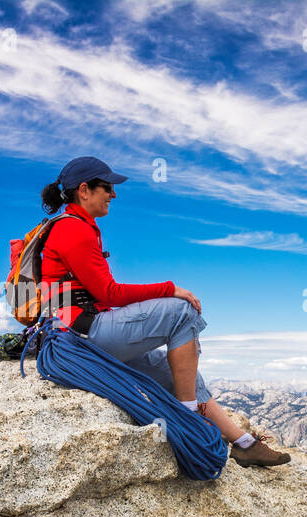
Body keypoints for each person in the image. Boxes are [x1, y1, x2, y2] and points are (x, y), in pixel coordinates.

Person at [38, 156, 289, 467]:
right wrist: (170, 288)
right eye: (108, 187)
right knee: (182, 312)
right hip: (82, 337)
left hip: (84, 332)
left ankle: (243, 442)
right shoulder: (74, 231)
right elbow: (109, 294)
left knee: (181, 372)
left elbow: (101, 295)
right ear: (85, 190)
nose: (113, 194)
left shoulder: (77, 227)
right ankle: (188, 420)